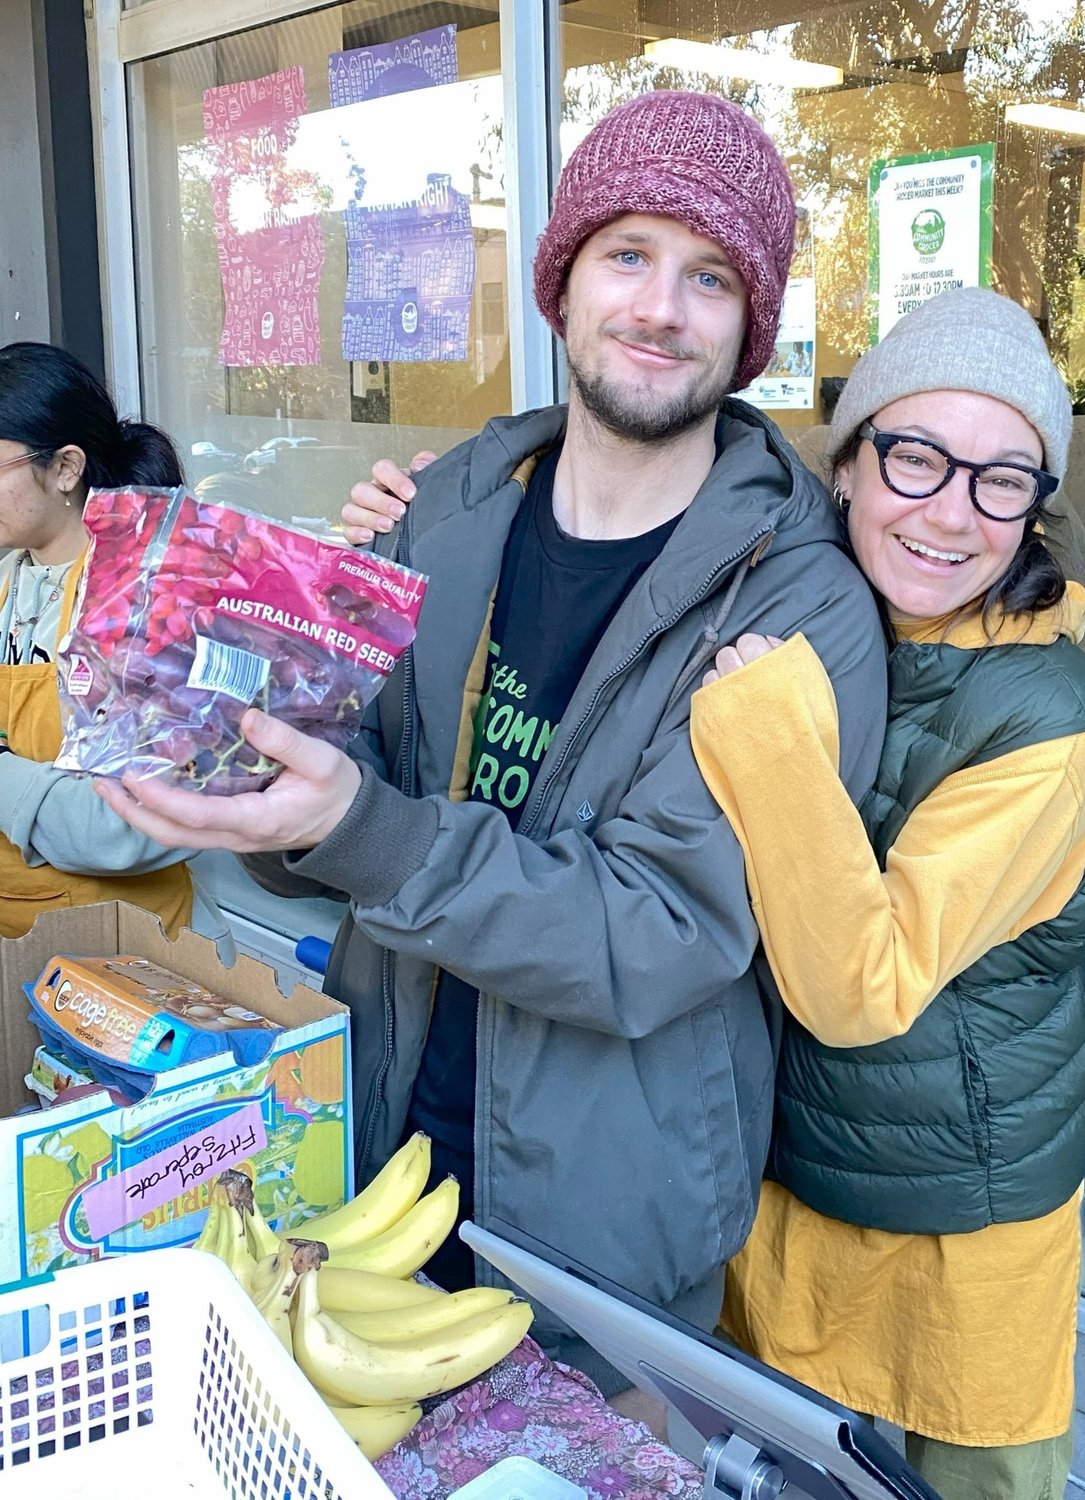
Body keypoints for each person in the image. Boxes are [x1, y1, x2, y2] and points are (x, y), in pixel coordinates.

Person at [99, 92, 887, 1395]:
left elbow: (665, 926)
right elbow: (340, 826)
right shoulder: (440, 514)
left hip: (606, 1220)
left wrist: (349, 823)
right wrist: (251, 753)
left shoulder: (798, 605)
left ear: (750, 327)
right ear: (561, 284)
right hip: (374, 1141)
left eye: (709, 276)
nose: (660, 306)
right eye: (627, 254)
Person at [686, 287, 1085, 1500]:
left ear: (1036, 510)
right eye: (917, 456)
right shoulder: (823, 622)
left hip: (954, 1240)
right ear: (846, 464)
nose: (950, 513)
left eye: (1002, 479)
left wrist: (767, 737)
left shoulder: (1051, 726)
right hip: (792, 1177)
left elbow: (856, 989)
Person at [0, 342, 227, 943]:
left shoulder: (149, 603)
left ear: (66, 468)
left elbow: (129, 828)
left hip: (126, 948)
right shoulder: (6, 581)